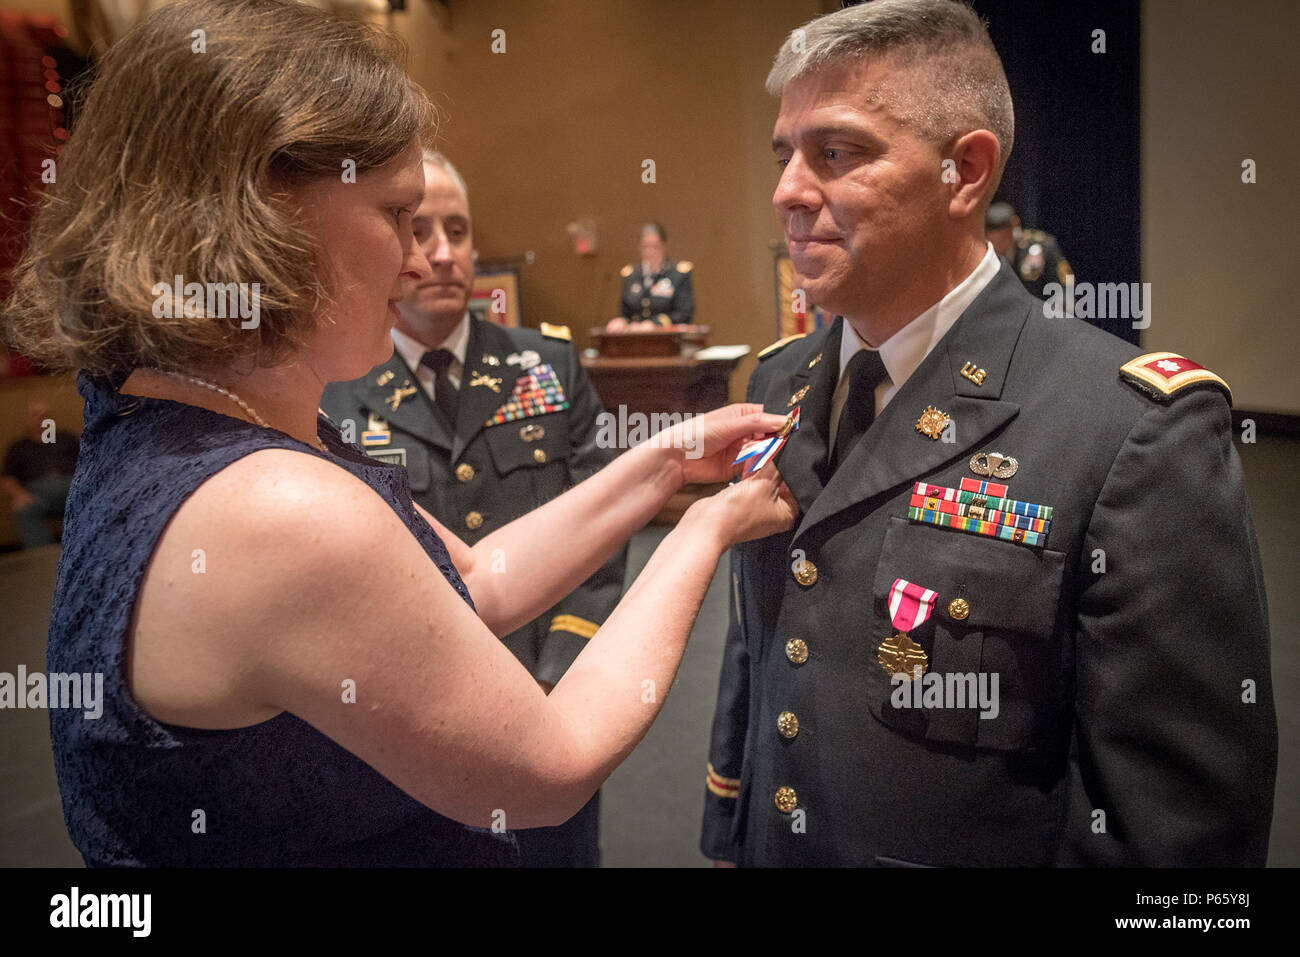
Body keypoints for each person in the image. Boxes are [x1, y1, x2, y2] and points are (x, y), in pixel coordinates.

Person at [2, 0, 796, 867]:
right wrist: (702, 528)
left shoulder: (181, 415)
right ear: (263, 217)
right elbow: (555, 764)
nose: (421, 261)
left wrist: (667, 461)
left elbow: (476, 580)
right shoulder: (274, 508)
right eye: (396, 215)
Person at [701, 0, 1275, 867]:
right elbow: (763, 638)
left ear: (964, 172)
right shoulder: (780, 381)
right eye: (785, 156)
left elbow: (1176, 830)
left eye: (837, 152)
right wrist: (729, 827)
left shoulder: (1130, 430)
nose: (786, 191)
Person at [320, 150, 625, 867]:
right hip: (413, 730)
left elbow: (601, 535)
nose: (443, 253)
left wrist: (557, 674)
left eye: (457, 231)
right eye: (419, 230)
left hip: (548, 701)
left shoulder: (546, 366)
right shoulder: (331, 395)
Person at [2, 399, 79, 548]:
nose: (41, 420)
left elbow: (91, 462)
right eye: (35, 416)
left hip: (73, 488)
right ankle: (42, 554)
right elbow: (7, 478)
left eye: (44, 416)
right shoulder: (18, 447)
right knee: (23, 509)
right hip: (39, 495)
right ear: (28, 420)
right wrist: (19, 495)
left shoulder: (68, 439)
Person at [605, 223, 695, 331]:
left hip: (667, 336)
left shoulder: (677, 274)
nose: (650, 252)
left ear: (663, 246)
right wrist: (622, 321)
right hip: (636, 336)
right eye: (645, 247)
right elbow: (626, 313)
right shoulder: (631, 275)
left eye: (655, 247)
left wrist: (655, 324)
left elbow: (684, 314)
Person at [985, 200, 1073, 300]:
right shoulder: (984, 251)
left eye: (1002, 230)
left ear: (1015, 224)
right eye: (991, 231)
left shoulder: (1042, 245)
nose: (997, 238)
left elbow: (1067, 286)